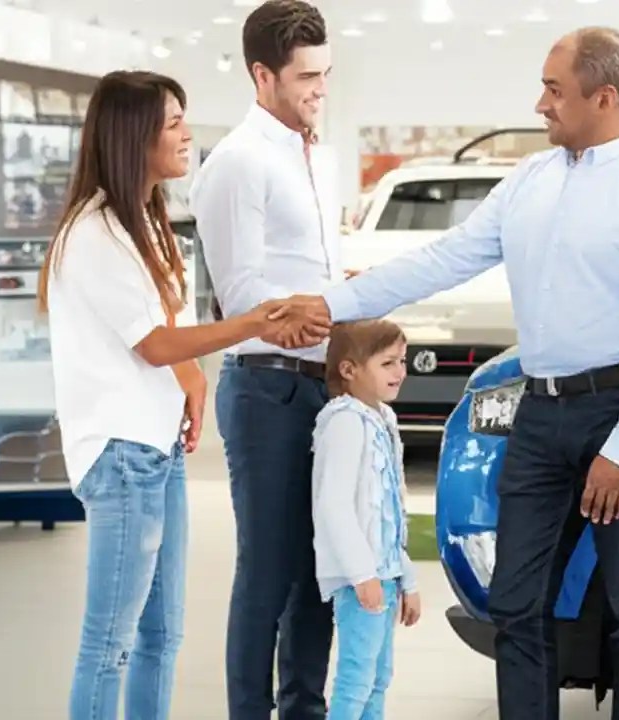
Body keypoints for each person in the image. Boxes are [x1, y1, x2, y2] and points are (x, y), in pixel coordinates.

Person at [276, 26, 619, 720]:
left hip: (617, 416)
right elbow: (443, 259)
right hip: (539, 416)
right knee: (515, 604)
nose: (540, 103)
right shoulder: (529, 181)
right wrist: (330, 305)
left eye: (554, 90)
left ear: (604, 97)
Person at [40, 70, 287, 720]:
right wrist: (255, 324)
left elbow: (164, 327)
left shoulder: (141, 226)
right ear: (133, 135)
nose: (186, 134)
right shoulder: (94, 235)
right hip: (122, 459)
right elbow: (152, 343)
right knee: (110, 643)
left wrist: (192, 377)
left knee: (161, 636)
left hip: (157, 451)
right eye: (174, 122)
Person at [187, 1, 340, 717]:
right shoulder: (238, 164)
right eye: (307, 75)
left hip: (324, 384)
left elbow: (321, 273)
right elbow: (243, 292)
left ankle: (302, 710)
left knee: (319, 571)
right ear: (261, 74)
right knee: (268, 573)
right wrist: (328, 312)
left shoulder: (318, 156)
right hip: (265, 391)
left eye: (326, 73)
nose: (320, 88)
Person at [312, 319, 422, 720]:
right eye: (388, 362)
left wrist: (405, 579)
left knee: (378, 678)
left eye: (402, 361)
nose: (400, 372)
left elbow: (392, 508)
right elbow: (334, 505)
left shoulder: (383, 420)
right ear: (349, 370)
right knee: (356, 681)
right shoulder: (344, 422)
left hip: (385, 573)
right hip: (362, 577)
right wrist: (362, 574)